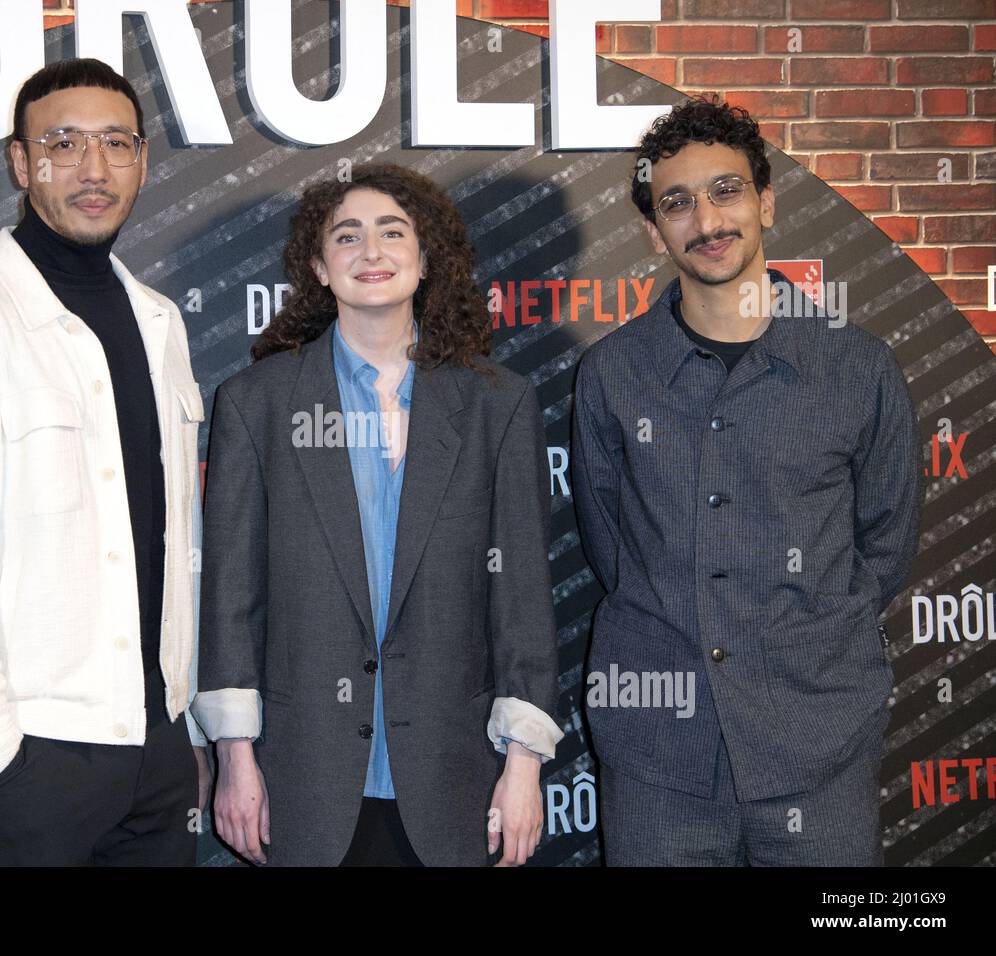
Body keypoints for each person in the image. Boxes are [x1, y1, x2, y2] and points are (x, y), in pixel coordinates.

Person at [570, 95, 921, 865]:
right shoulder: (613, 376)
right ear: (652, 231)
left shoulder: (856, 367)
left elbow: (886, 541)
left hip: (817, 742)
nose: (707, 219)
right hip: (659, 748)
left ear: (765, 202)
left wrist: (807, 639)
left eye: (726, 191)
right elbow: (611, 543)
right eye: (677, 203)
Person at [0, 58, 210, 866]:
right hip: (28, 757)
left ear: (141, 160)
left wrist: (178, 724)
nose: (92, 168)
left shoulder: (159, 320)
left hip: (156, 747)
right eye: (62, 143)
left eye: (115, 143)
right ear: (22, 164)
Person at [191, 163, 564, 867]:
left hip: (457, 781)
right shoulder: (256, 404)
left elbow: (521, 602)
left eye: (394, 233)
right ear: (319, 268)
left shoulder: (496, 404)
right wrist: (236, 759)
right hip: (304, 780)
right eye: (348, 236)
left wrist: (523, 766)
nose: (372, 253)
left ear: (426, 260)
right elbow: (232, 601)